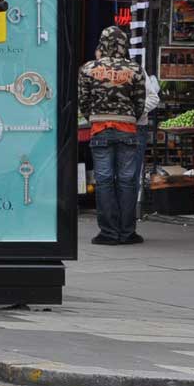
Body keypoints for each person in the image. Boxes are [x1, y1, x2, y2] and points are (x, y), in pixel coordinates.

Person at [78, 25, 149, 246]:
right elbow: (140, 103)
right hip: (127, 129)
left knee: (104, 181)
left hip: (100, 129)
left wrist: (95, 117)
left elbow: (83, 101)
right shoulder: (135, 69)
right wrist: (128, 117)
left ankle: (108, 233)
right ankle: (127, 232)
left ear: (102, 43)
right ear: (123, 44)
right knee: (127, 181)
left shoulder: (88, 68)